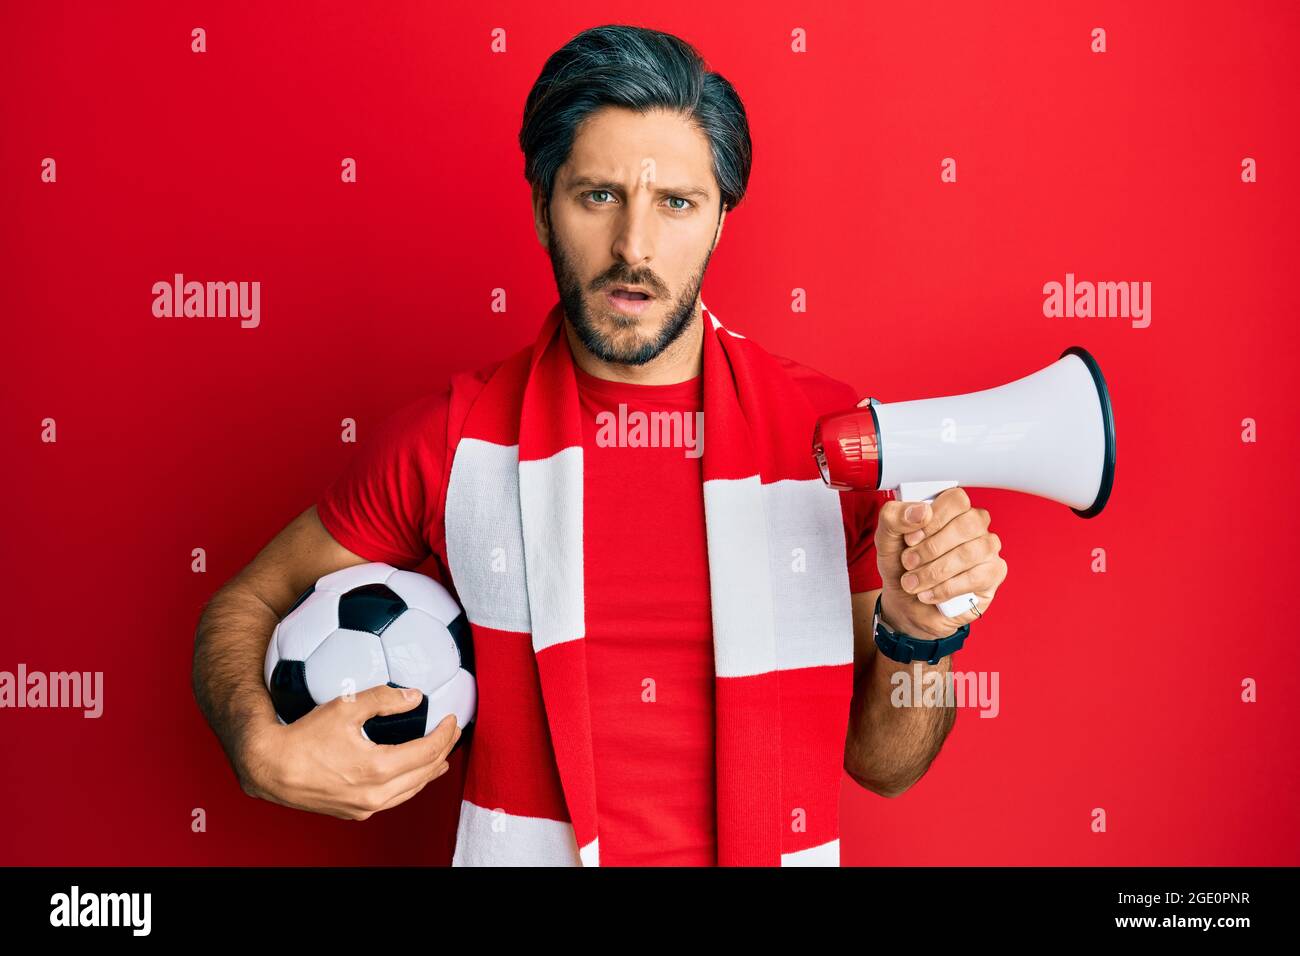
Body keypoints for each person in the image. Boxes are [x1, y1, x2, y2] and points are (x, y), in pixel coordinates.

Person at [192, 23, 1007, 866]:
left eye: (676, 204)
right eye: (599, 196)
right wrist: (259, 748)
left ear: (722, 219)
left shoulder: (833, 442)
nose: (634, 248)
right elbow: (243, 605)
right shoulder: (450, 440)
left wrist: (922, 638)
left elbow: (887, 766)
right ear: (545, 207)